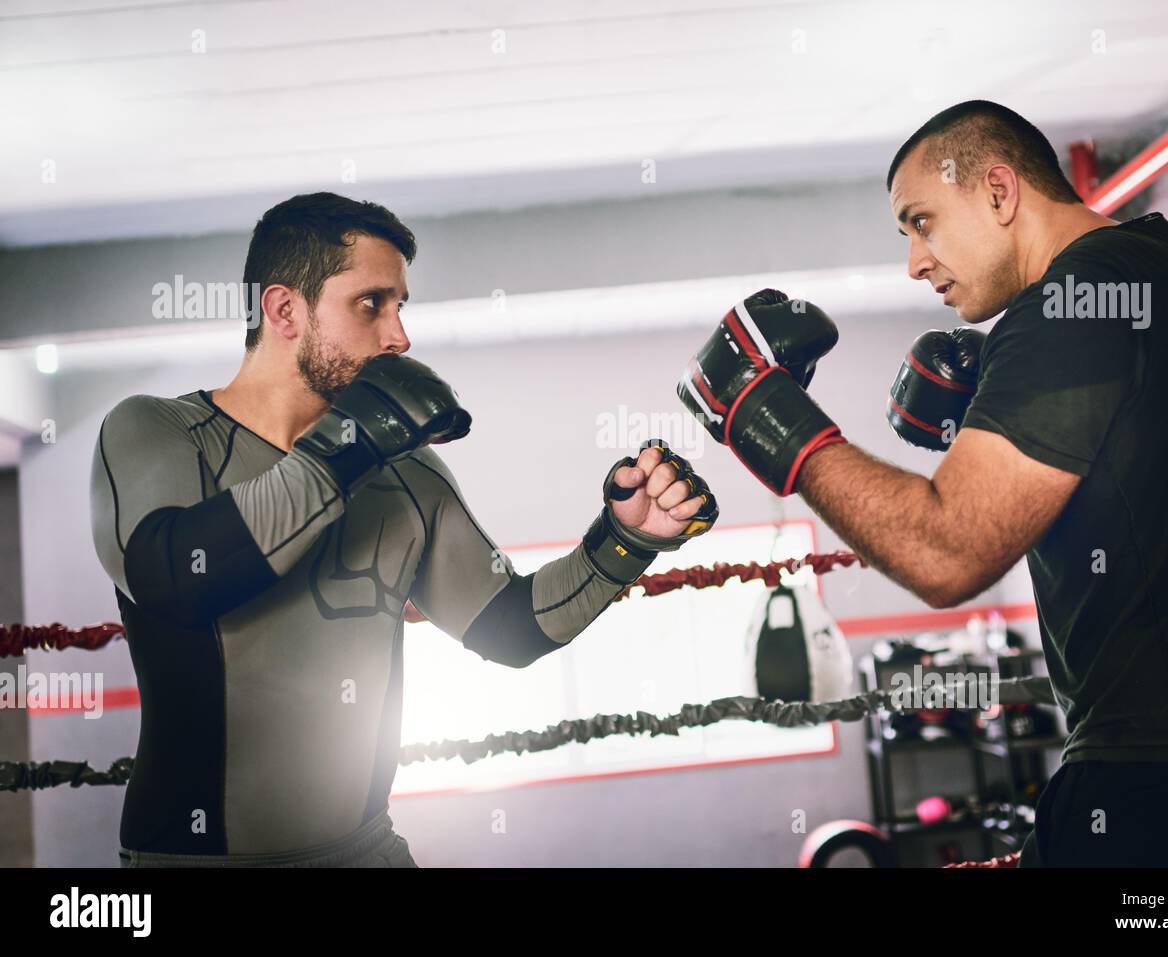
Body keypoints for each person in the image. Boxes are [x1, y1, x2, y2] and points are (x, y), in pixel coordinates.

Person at [677, 100, 1168, 866]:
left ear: (1000, 192)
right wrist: (996, 416)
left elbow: (948, 552)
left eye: (922, 221)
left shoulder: (1063, 306)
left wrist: (758, 409)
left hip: (1160, 789)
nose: (914, 261)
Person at [91, 192, 717, 867]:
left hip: (368, 852)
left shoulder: (408, 473)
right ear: (283, 310)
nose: (399, 337)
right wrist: (345, 447)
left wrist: (623, 541)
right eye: (371, 304)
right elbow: (174, 576)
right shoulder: (158, 432)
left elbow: (508, 625)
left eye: (401, 307)